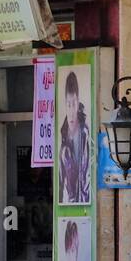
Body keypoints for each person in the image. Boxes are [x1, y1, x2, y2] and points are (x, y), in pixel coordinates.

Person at [59, 71, 90, 205]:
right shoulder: (62, 141)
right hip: (69, 207)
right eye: (68, 104)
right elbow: (60, 183)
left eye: (74, 103)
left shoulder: (87, 135)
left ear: (78, 103)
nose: (71, 111)